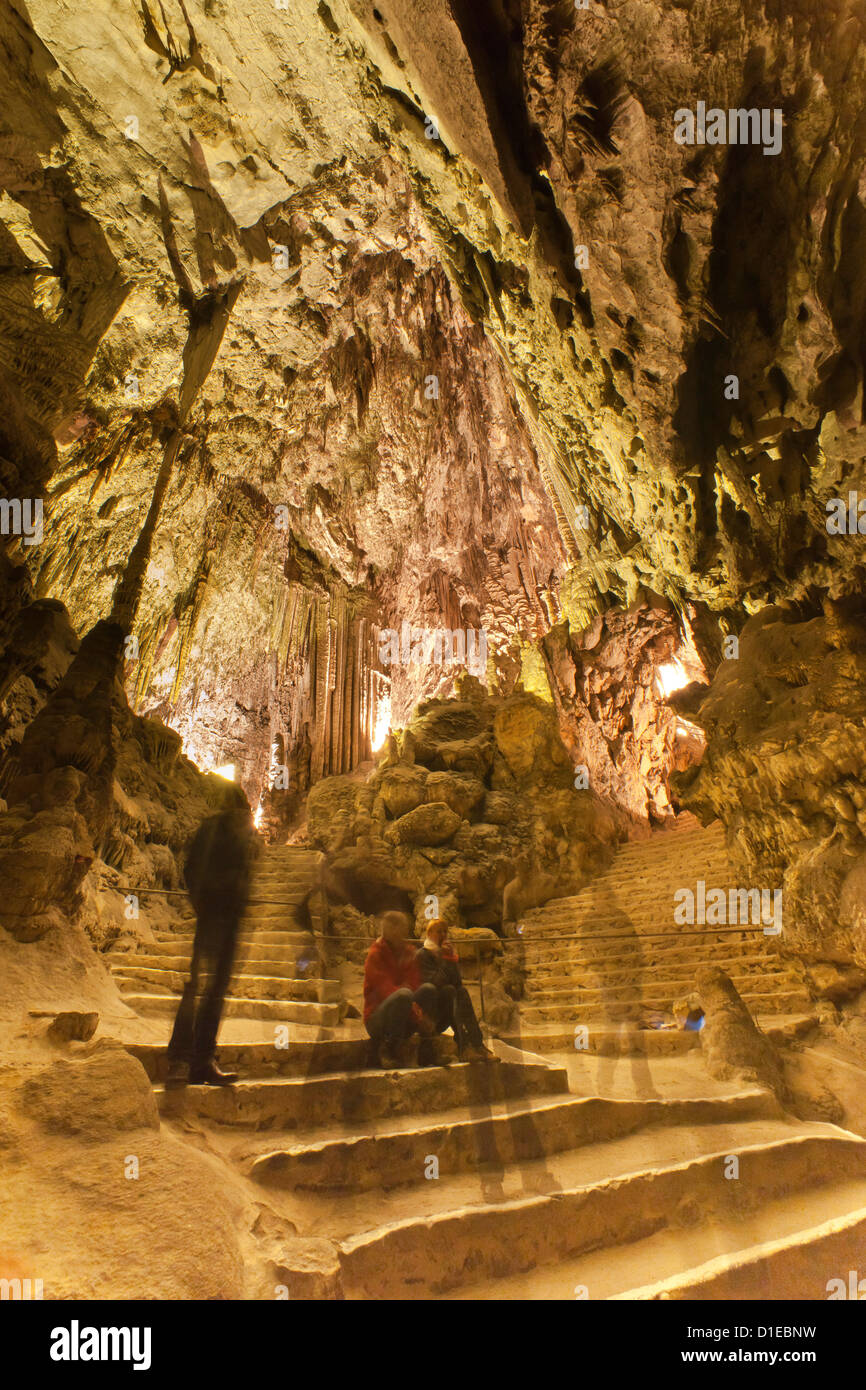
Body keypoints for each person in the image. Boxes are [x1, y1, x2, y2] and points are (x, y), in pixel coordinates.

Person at [166, 790, 259, 1086]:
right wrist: (205, 902)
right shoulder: (214, 830)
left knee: (209, 990)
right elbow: (194, 869)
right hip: (213, 916)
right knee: (203, 989)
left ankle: (194, 1058)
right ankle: (189, 1059)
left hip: (226, 918)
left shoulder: (237, 834)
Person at [363, 910, 438, 1069]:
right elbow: (386, 991)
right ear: (392, 930)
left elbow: (414, 984)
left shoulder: (409, 952)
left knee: (428, 989)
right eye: (402, 927)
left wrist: (415, 1010)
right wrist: (418, 1015)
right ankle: (388, 1049)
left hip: (403, 1014)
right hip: (378, 1021)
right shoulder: (375, 954)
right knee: (403, 995)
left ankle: (426, 1050)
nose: (405, 931)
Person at [414, 919, 495, 1062]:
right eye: (439, 931)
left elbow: (457, 982)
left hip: (448, 1006)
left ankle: (476, 1044)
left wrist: (450, 958)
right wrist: (443, 958)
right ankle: (464, 1047)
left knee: (460, 992)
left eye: (445, 932)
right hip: (431, 1015)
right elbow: (436, 983)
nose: (443, 935)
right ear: (430, 933)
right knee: (451, 991)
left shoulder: (445, 953)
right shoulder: (422, 955)